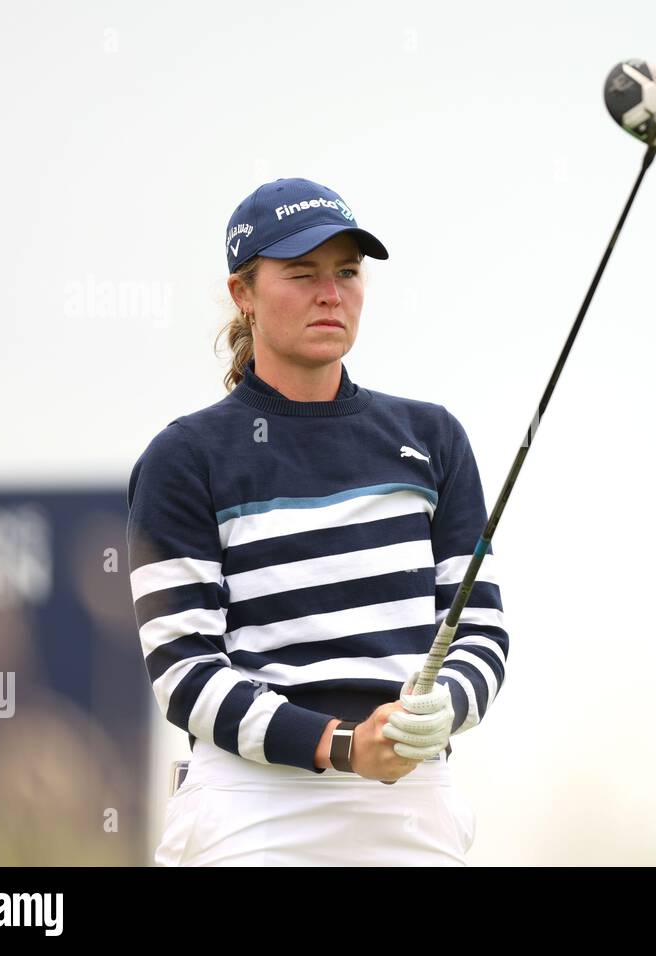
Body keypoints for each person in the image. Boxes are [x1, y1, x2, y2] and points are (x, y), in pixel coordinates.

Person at [125, 177, 508, 865]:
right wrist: (341, 745)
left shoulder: (433, 438)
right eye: (301, 274)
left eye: (348, 273)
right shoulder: (186, 458)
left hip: (409, 801)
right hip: (252, 807)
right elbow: (184, 670)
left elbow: (478, 628)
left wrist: (443, 709)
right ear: (243, 293)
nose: (331, 294)